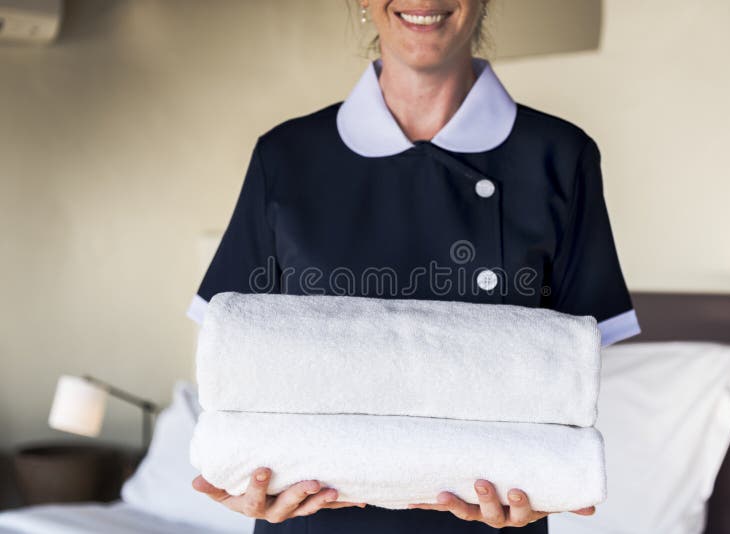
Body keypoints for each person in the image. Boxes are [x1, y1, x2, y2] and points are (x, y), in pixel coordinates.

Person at [187, 1, 641, 532]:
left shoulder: (559, 157)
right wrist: (242, 481)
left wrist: (545, 483)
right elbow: (238, 365)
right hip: (311, 520)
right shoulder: (286, 157)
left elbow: (570, 375)